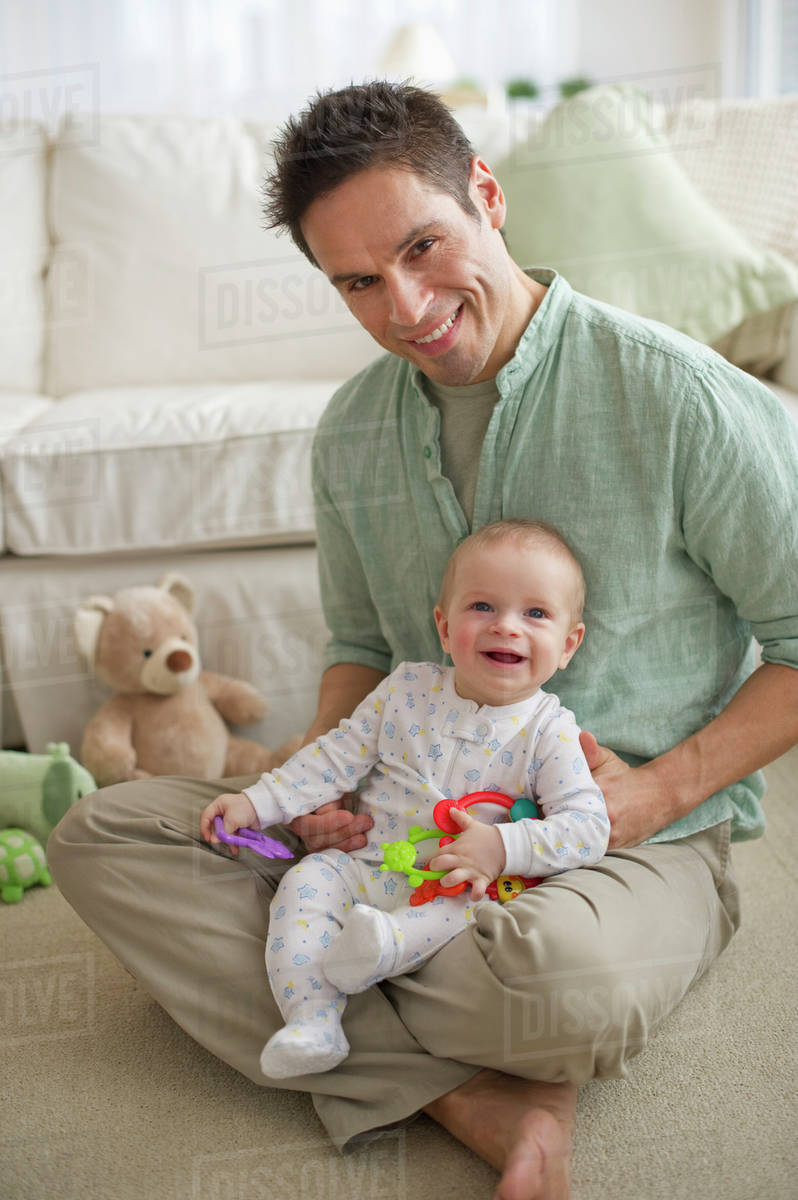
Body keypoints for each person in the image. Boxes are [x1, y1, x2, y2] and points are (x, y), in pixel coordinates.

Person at [47, 80, 798, 1200]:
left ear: (486, 195)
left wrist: (645, 800)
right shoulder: (353, 431)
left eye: (423, 247)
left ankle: (368, 1010)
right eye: (357, 281)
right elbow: (357, 641)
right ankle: (474, 1088)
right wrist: (313, 791)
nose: (404, 306)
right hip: (394, 835)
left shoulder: (681, 396)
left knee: (560, 987)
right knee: (105, 836)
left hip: (622, 845)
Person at [200, 519, 609, 1079]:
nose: (506, 628)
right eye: (482, 607)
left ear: (568, 644)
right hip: (369, 864)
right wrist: (254, 803)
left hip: (456, 887)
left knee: (468, 910)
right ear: (444, 628)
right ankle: (313, 1019)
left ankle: (379, 950)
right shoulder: (406, 690)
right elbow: (332, 757)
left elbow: (588, 827)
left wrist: (502, 846)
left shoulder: (549, 730)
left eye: (535, 614)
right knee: (307, 880)